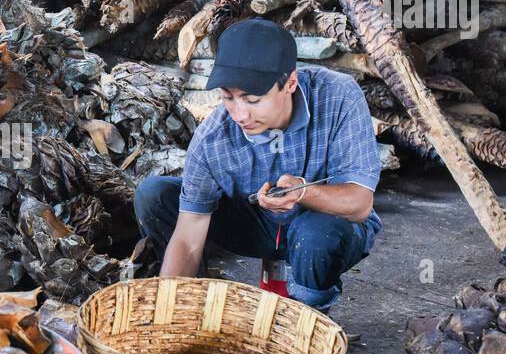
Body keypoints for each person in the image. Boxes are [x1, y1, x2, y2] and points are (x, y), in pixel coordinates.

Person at [134, 17, 382, 312]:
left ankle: (306, 321)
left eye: (252, 99)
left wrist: (305, 194)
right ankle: (191, 309)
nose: (240, 114)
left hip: (326, 230)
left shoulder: (338, 96)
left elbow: (360, 203)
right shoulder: (213, 138)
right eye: (228, 98)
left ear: (290, 82)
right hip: (255, 227)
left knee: (316, 233)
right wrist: (167, 307)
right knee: (154, 195)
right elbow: (188, 238)